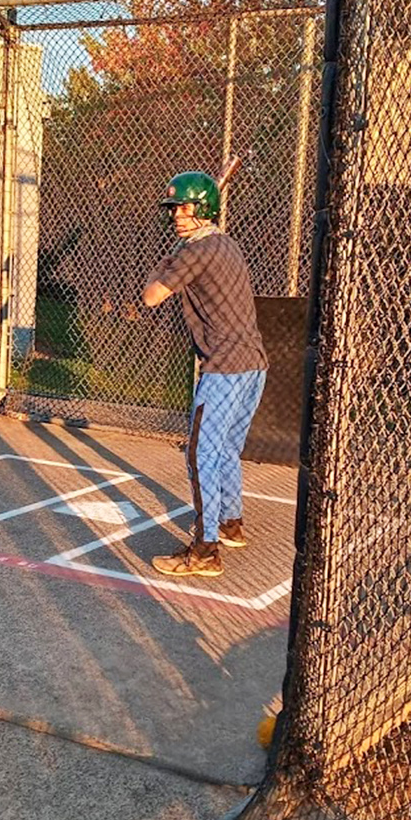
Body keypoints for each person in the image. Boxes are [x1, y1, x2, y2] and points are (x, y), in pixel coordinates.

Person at [142, 171, 268, 577]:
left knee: (201, 456)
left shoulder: (195, 252)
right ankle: (231, 524)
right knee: (226, 449)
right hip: (253, 366)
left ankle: (205, 550)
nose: (178, 214)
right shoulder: (223, 243)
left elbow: (152, 297)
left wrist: (164, 263)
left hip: (225, 368)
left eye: (186, 207)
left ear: (204, 208)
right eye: (175, 208)